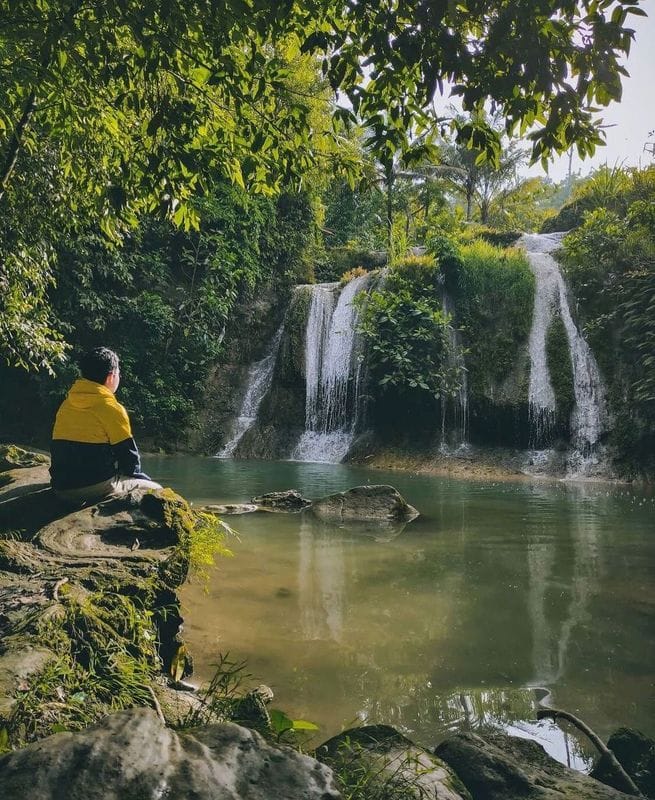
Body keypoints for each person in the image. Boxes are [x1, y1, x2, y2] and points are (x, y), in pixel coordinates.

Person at [50, 347, 162, 504]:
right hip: (94, 488)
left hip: (61, 488)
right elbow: (129, 459)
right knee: (156, 489)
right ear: (111, 377)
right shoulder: (111, 408)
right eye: (118, 374)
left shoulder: (66, 404)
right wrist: (141, 477)